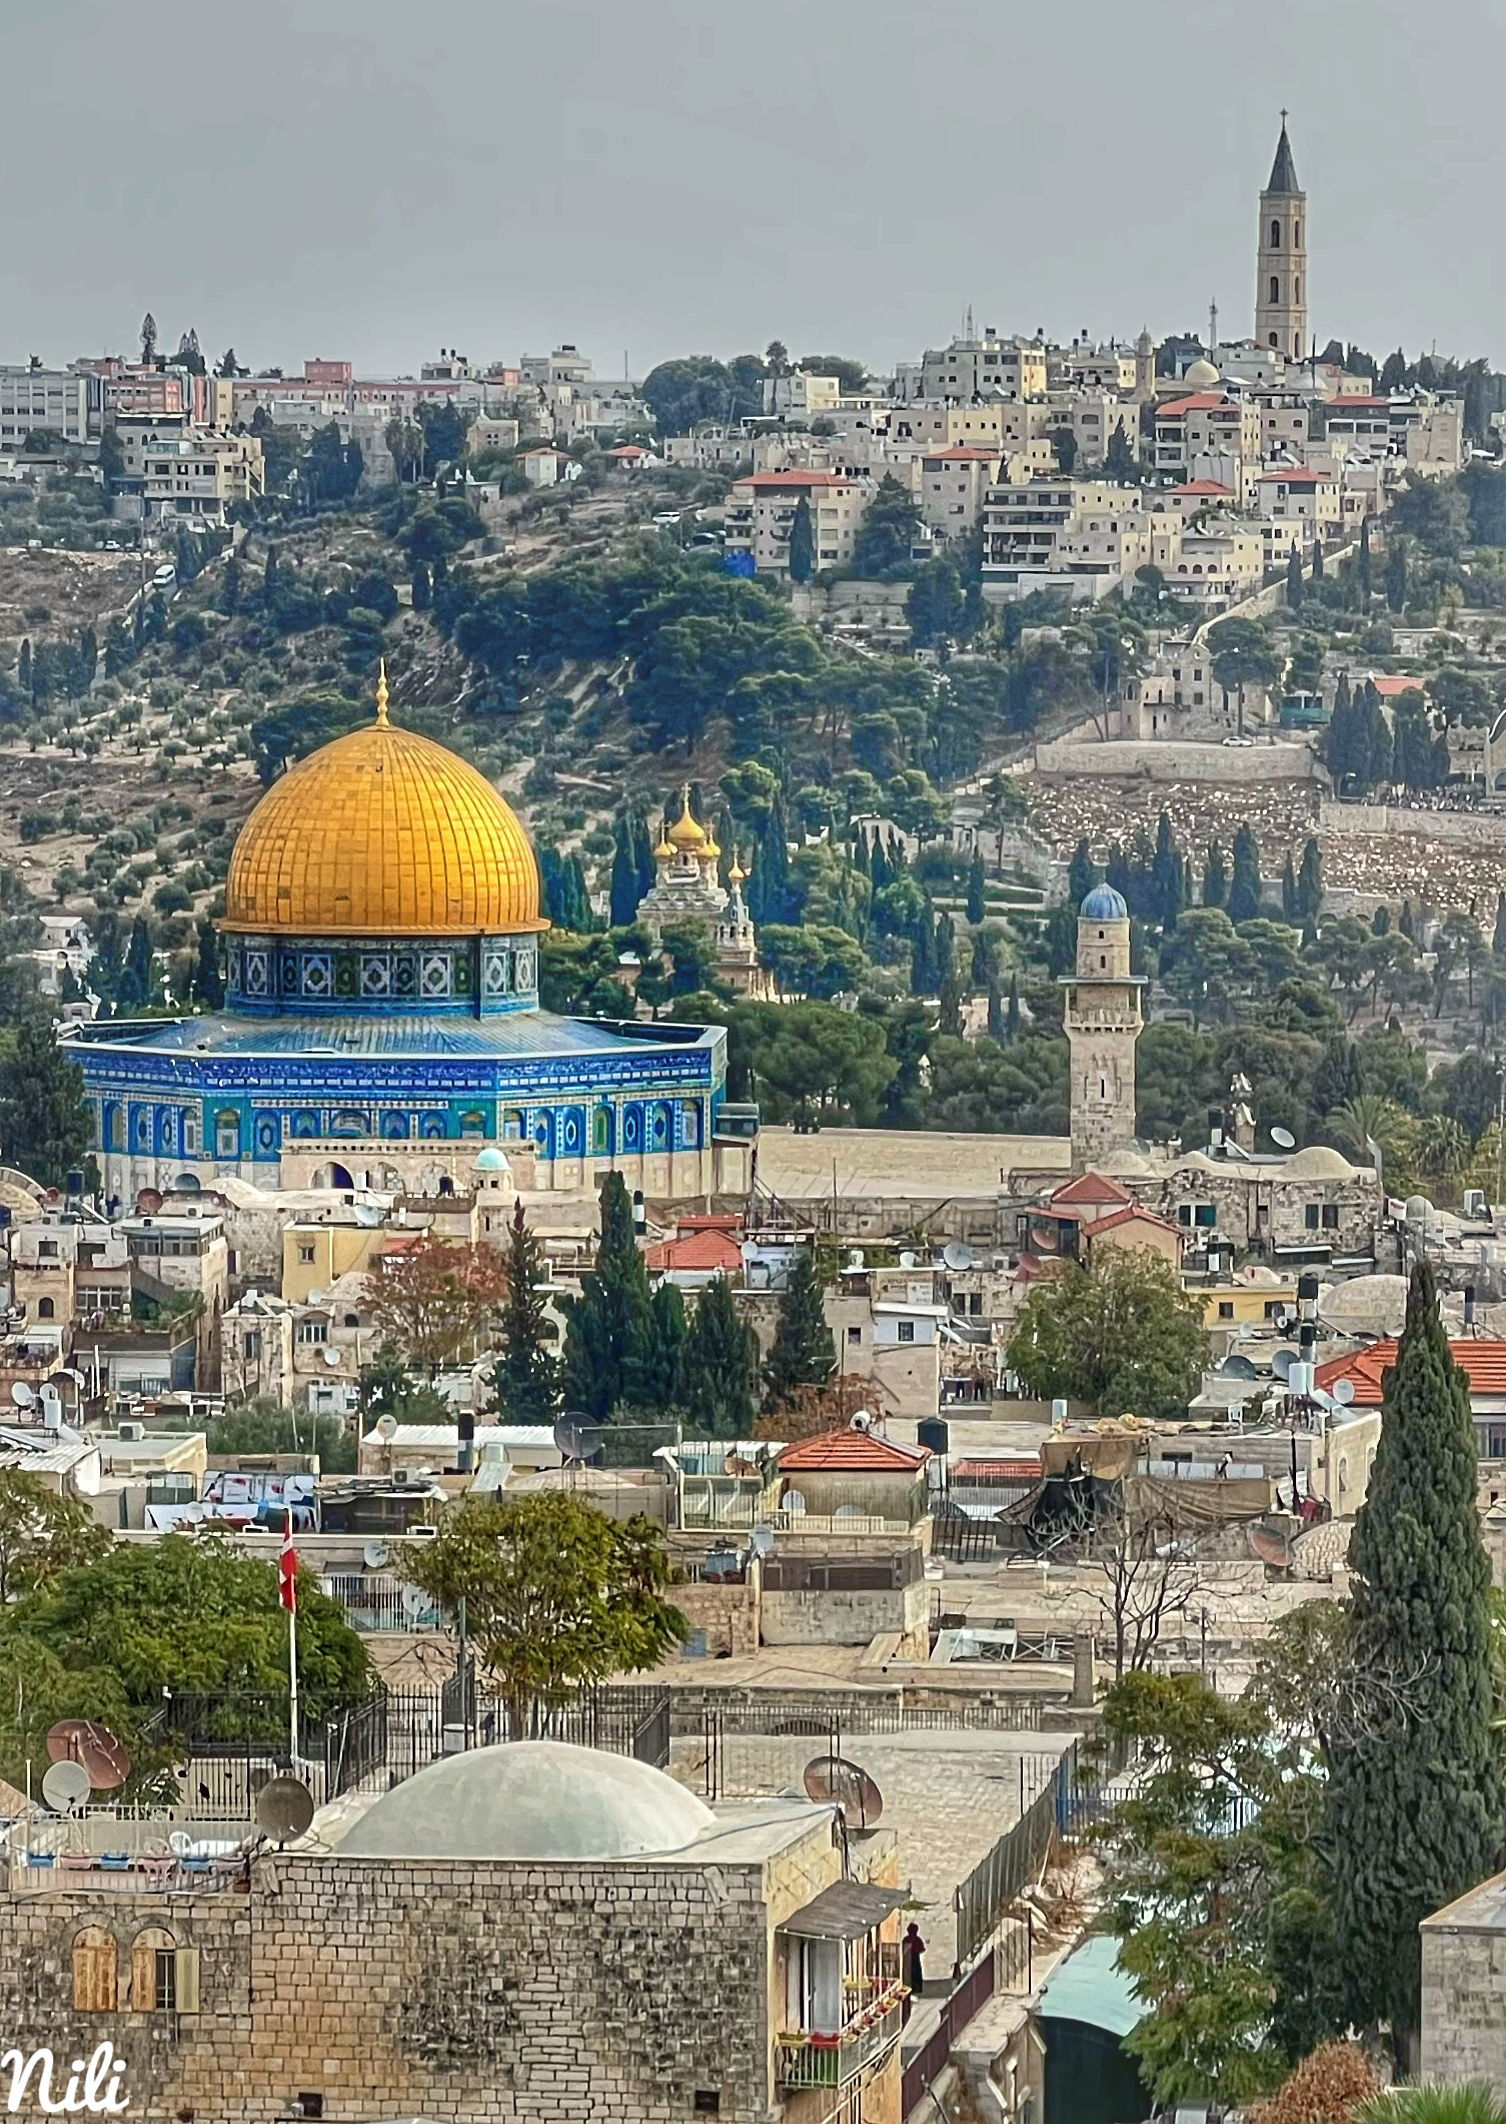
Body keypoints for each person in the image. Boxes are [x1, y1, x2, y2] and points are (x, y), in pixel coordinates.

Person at [902, 1922, 926, 2012]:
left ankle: (913, 1987)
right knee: (916, 1973)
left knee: (911, 1973)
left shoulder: (907, 1939)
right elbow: (922, 1949)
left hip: (910, 1959)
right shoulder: (917, 1939)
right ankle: (916, 1987)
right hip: (914, 1958)